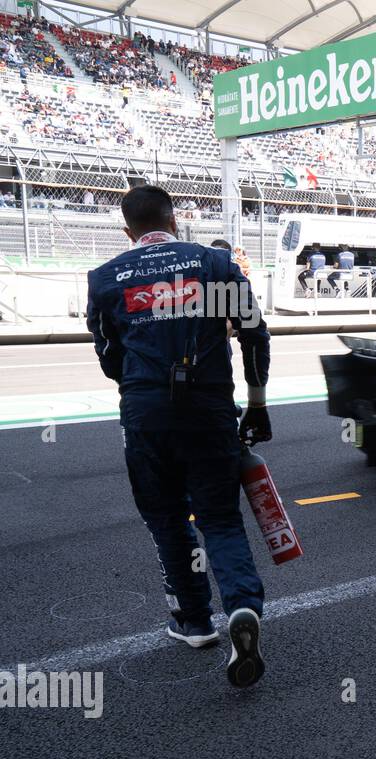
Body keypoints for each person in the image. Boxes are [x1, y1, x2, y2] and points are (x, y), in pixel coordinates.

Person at [86, 185, 270, 689]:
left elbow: (108, 359)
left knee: (167, 518)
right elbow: (255, 332)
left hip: (145, 417)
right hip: (210, 413)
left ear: (129, 231)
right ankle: (242, 609)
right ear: (176, 219)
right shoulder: (211, 264)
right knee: (221, 520)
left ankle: (193, 621)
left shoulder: (105, 279)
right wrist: (256, 405)